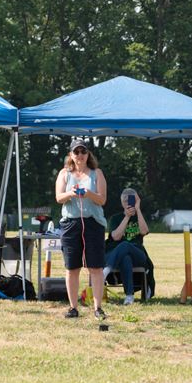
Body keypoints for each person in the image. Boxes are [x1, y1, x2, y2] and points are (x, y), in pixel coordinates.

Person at [55, 137, 108, 320]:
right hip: (71, 223)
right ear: (71, 155)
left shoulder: (97, 173)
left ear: (88, 154)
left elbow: (102, 200)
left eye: (83, 151)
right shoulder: (64, 173)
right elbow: (59, 198)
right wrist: (71, 192)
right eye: (76, 152)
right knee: (72, 267)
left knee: (96, 267)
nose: (80, 155)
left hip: (93, 223)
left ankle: (98, 308)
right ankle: (73, 307)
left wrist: (88, 193)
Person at [103, 188, 152, 305]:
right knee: (126, 258)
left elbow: (144, 231)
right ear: (121, 203)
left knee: (126, 245)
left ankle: (107, 269)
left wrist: (138, 210)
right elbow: (115, 237)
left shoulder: (139, 216)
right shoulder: (115, 218)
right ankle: (129, 296)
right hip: (121, 255)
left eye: (131, 200)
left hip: (138, 254)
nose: (128, 202)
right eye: (125, 200)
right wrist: (127, 217)